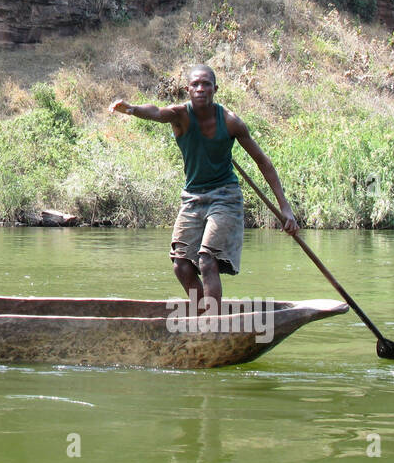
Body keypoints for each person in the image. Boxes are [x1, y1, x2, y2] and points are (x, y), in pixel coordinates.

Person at [109, 64, 299, 308]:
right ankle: (203, 313)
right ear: (187, 89)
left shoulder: (231, 122)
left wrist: (285, 208)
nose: (201, 89)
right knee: (181, 264)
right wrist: (133, 109)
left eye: (206, 84)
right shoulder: (180, 115)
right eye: (195, 84)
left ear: (215, 89)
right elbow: (156, 112)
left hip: (225, 197)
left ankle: (212, 321)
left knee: (207, 259)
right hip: (192, 198)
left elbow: (263, 162)